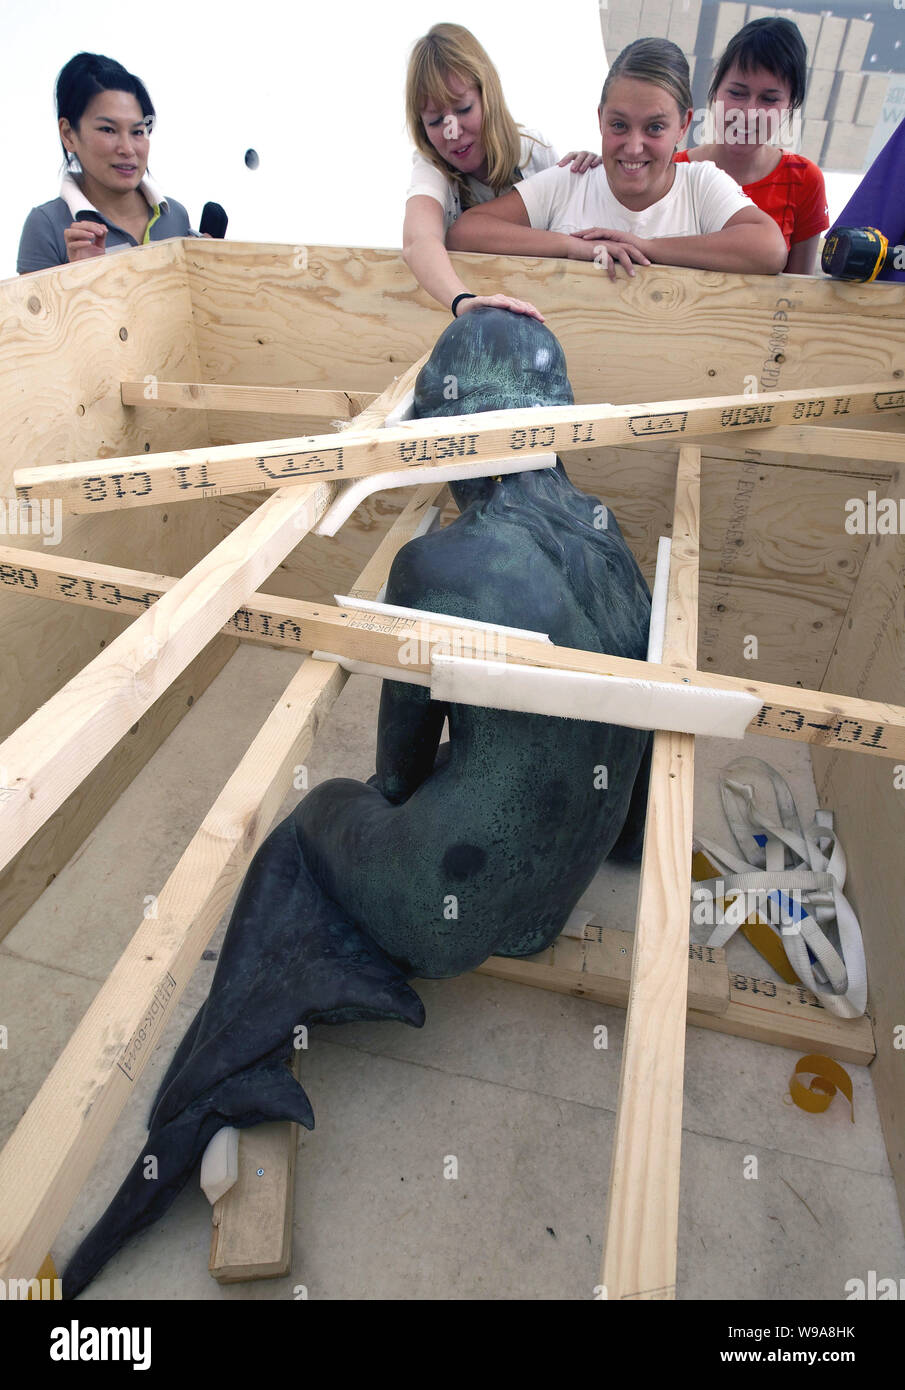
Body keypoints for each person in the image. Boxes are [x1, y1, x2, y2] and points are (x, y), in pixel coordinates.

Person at [447, 38, 788, 279]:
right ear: (600, 119)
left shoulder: (700, 185)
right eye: (619, 125)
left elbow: (769, 248)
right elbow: (466, 232)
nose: (634, 146)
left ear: (683, 124)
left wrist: (647, 247)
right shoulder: (570, 180)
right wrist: (570, 247)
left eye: (654, 127)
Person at [404, 22, 603, 319]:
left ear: (489, 96)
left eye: (463, 109)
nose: (452, 132)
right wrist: (463, 301)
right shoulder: (432, 166)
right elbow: (418, 240)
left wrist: (586, 179)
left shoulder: (535, 153)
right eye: (435, 121)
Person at [675, 17, 828, 275]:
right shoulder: (673, 170)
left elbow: (799, 293)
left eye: (769, 99)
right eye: (737, 93)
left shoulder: (804, 181)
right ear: (715, 88)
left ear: (791, 104)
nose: (748, 113)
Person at [17, 53, 196, 274]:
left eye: (138, 131)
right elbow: (33, 309)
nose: (127, 148)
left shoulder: (175, 215)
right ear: (68, 134)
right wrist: (77, 278)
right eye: (108, 130)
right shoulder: (46, 226)